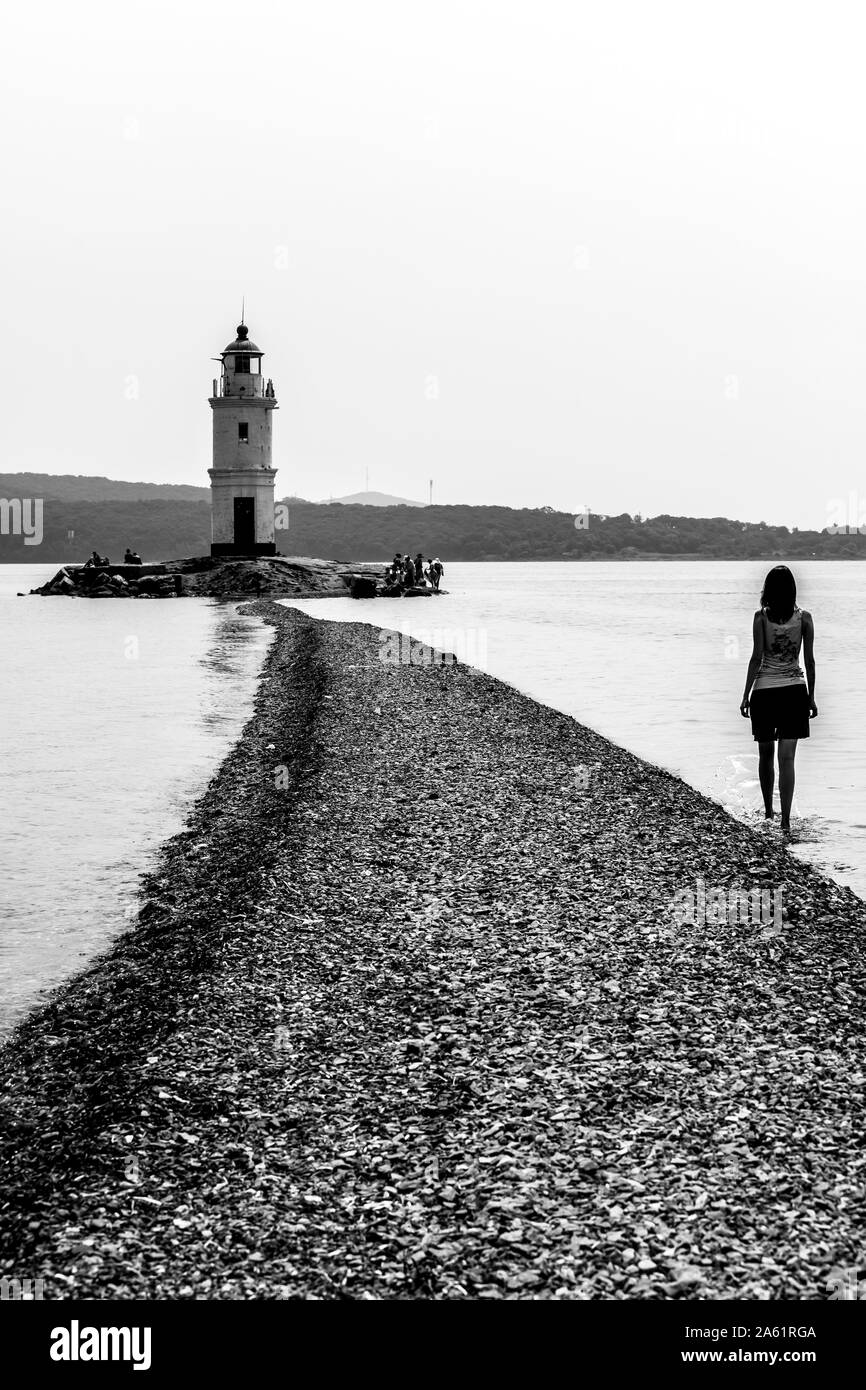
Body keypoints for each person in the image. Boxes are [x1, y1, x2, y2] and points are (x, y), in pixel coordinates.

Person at [740, 565, 817, 833]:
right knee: (787, 759)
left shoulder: (760, 618)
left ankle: (769, 813)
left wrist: (745, 694)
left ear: (768, 590)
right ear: (793, 590)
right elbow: (809, 661)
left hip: (764, 691)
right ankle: (785, 821)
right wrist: (811, 698)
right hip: (794, 691)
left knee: (765, 754)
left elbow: (756, 657)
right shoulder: (804, 618)